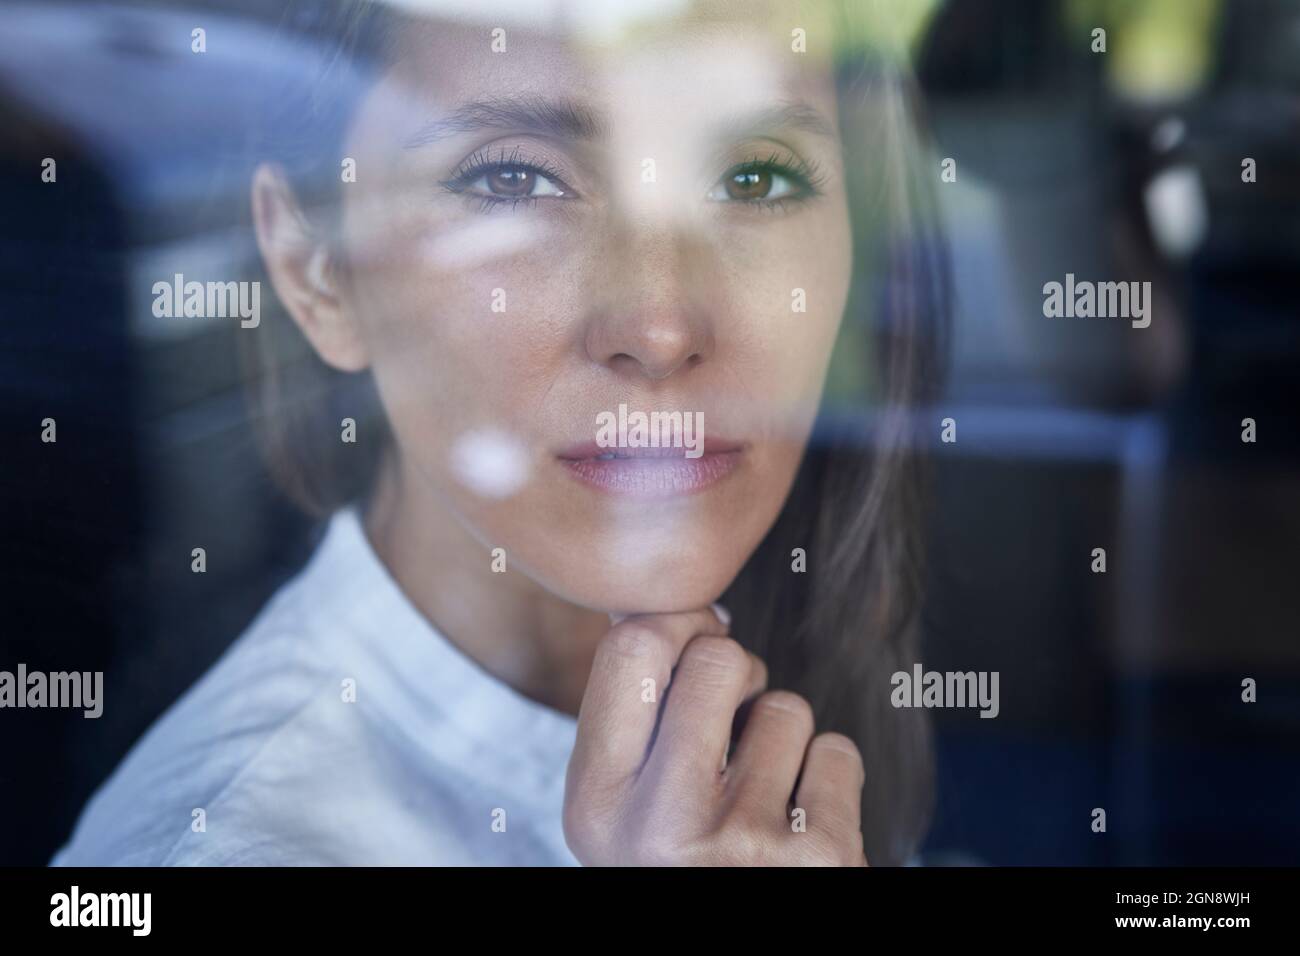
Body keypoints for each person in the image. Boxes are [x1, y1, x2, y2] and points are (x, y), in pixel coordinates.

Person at [53, 0, 947, 867]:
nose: (661, 328)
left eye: (755, 178)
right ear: (314, 268)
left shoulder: (818, 660)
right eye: (514, 179)